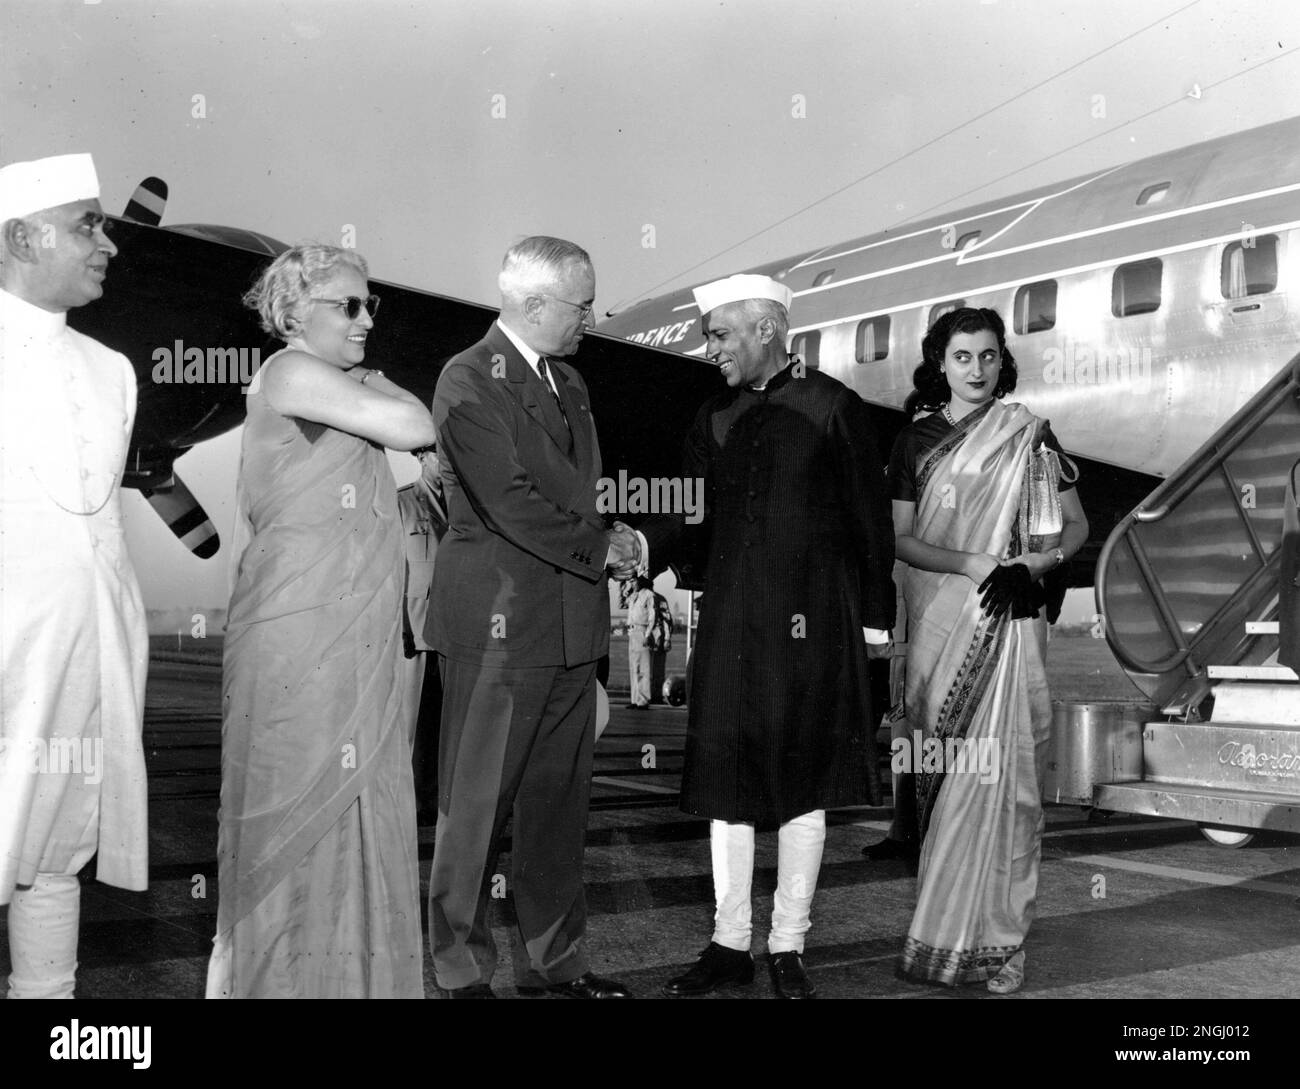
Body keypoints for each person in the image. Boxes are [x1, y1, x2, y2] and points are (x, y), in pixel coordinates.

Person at [645, 273, 896, 999]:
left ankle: (788, 942)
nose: (710, 349)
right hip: (730, 626)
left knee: (802, 787)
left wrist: (875, 625)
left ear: (766, 329)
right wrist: (642, 546)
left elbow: (870, 524)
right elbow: (690, 518)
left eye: (720, 334)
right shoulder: (712, 417)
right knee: (728, 788)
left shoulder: (834, 407)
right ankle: (730, 943)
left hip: (815, 628)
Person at [206, 244, 435, 998]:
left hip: (358, 636)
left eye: (372, 305)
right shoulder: (292, 371)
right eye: (349, 304)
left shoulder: (336, 386)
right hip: (298, 634)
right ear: (296, 311)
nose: (367, 319)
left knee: (359, 800)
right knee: (298, 810)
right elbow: (412, 426)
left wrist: (366, 380)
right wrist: (370, 382)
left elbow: (412, 442)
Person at [425, 236, 637, 999]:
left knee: (558, 810)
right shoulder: (468, 378)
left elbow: (578, 493)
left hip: (572, 626)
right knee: (475, 808)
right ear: (535, 303)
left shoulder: (572, 382)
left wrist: (604, 549)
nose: (591, 316)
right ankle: (460, 970)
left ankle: (558, 962)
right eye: (582, 304)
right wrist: (603, 547)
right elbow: (508, 501)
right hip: (500, 627)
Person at [891, 307, 1088, 994]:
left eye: (987, 356)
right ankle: (941, 937)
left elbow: (1074, 525)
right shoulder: (914, 440)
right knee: (948, 783)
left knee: (1012, 789)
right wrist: (973, 562)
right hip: (945, 629)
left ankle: (1002, 946)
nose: (976, 368)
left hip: (1016, 620)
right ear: (939, 362)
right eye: (962, 356)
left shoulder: (1030, 434)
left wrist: (1029, 568)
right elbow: (904, 540)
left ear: (1002, 360)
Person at [0, 153, 150, 999]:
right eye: (87, 224)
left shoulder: (113, 369)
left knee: (57, 842)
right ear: (23, 235)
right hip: (4, 649)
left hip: (92, 650)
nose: (110, 244)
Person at [397, 446, 448, 825]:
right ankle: (407, 802)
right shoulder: (400, 504)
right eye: (437, 455)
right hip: (414, 634)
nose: (445, 462)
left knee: (445, 724)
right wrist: (399, 628)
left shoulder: (466, 509)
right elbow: (390, 573)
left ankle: (435, 801)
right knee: (410, 723)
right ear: (421, 458)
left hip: (454, 637)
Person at [625, 575, 656, 708]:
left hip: (642, 631)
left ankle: (643, 700)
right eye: (630, 581)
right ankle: (635, 699)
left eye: (634, 581)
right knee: (634, 667)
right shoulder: (633, 596)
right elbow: (621, 603)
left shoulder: (649, 595)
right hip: (632, 632)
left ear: (641, 580)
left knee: (643, 667)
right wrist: (625, 589)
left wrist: (648, 634)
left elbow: (652, 616)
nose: (632, 584)